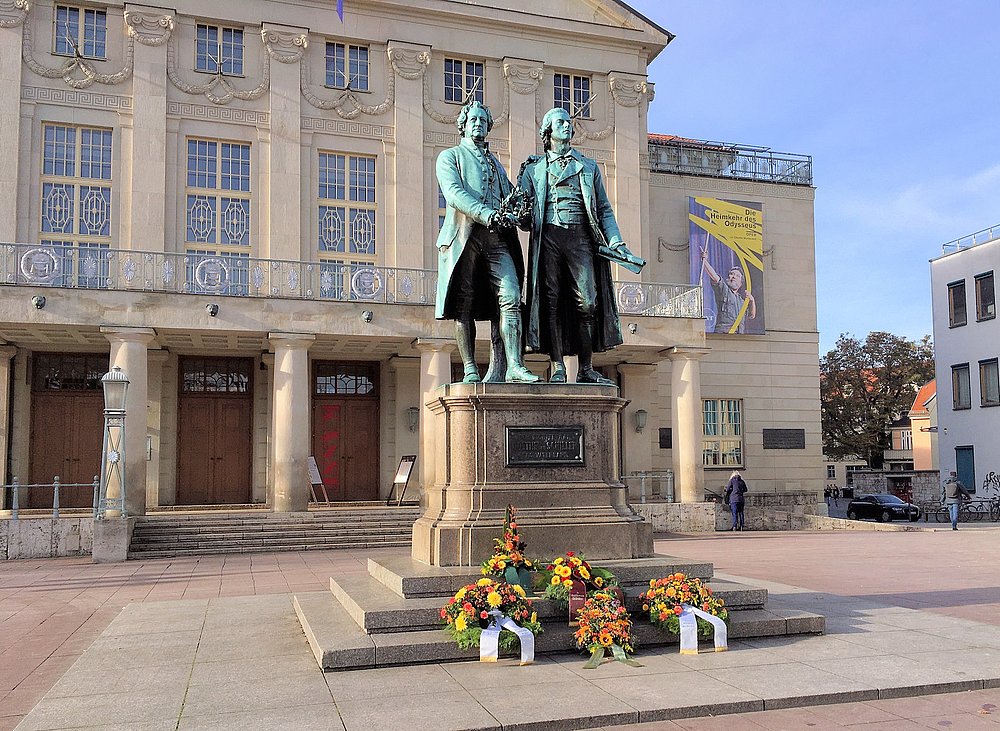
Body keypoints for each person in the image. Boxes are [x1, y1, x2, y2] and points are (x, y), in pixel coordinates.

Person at [518, 107, 637, 385]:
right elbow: (524, 221)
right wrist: (522, 213)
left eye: (568, 122)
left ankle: (586, 367)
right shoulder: (533, 169)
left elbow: (604, 209)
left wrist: (616, 240)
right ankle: (558, 365)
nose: (567, 126)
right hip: (548, 237)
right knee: (552, 302)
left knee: (588, 302)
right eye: (560, 122)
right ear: (548, 131)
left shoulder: (588, 166)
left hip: (580, 239)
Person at [434, 101, 539, 384]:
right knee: (463, 303)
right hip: (464, 238)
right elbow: (454, 194)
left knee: (511, 297)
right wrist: (486, 213)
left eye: (483, 120)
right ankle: (469, 367)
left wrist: (522, 208)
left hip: (497, 239)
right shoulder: (450, 156)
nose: (478, 124)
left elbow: (509, 199)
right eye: (473, 120)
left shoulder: (495, 164)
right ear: (463, 125)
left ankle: (515, 365)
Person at [700, 247, 756, 334]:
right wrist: (705, 261)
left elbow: (752, 315)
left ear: (741, 283)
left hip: (739, 336)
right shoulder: (723, 290)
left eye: (737, 275)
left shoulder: (742, 300)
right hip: (723, 334)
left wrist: (752, 300)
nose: (733, 276)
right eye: (731, 274)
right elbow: (714, 277)